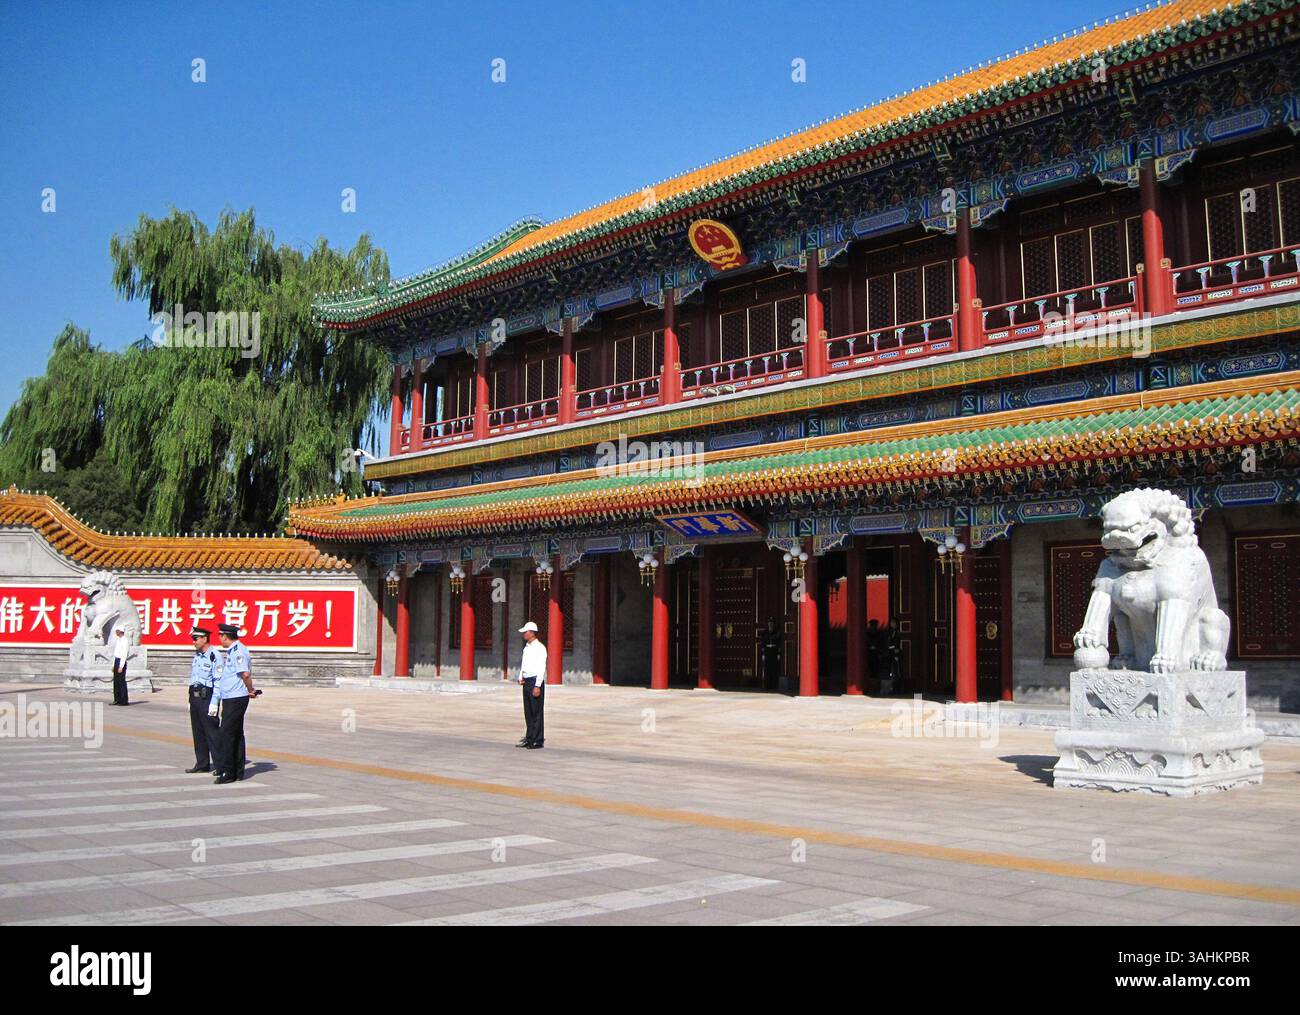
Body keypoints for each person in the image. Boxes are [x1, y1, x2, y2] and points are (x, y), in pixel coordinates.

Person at [211, 623, 257, 784]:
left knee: (227, 734)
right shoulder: (234, 651)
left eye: (220, 636)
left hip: (235, 698)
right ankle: (237, 771)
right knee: (236, 734)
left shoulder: (238, 652)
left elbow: (245, 673)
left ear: (225, 636)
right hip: (232, 697)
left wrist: (251, 689)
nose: (220, 639)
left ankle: (228, 772)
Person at [186, 627, 221, 773]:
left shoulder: (214, 655)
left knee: (212, 733)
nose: (193, 642)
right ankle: (202, 763)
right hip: (195, 696)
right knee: (198, 732)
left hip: (208, 697)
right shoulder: (198, 655)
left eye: (196, 639)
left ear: (205, 639)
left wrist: (215, 702)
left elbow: (218, 681)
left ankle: (220, 766)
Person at [515, 621, 547, 750]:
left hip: (535, 681)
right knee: (528, 712)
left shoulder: (540, 648)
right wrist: (521, 675)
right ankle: (529, 738)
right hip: (527, 681)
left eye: (525, 632)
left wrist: (537, 686)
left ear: (532, 633)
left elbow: (541, 668)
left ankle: (537, 740)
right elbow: (524, 664)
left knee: (536, 712)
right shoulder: (526, 647)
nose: (523, 634)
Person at [760, 617, 782, 692]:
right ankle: (767, 685)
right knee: (767, 669)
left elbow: (779, 644)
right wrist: (763, 654)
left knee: (774, 669)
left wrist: (778, 653)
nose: (770, 624)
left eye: (772, 623)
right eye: (769, 622)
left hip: (774, 651)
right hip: (767, 651)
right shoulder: (764, 633)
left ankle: (774, 685)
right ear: (768, 624)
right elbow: (762, 643)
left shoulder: (776, 633)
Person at [110, 624, 131, 706]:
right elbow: (116, 654)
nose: (116, 632)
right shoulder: (118, 640)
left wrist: (121, 666)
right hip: (116, 661)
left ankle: (124, 700)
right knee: (116, 681)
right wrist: (113, 665)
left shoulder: (125, 640)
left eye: (117, 631)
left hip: (121, 662)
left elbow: (124, 654)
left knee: (121, 681)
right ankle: (117, 699)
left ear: (120, 631)